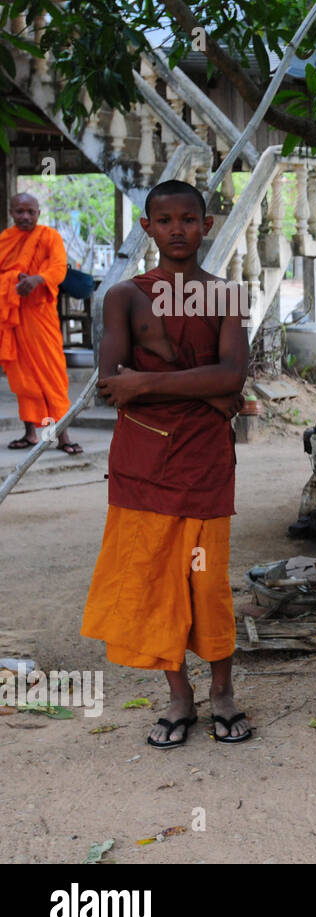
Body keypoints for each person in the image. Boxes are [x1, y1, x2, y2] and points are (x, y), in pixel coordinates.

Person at [83, 180, 250, 747]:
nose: (178, 229)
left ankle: (222, 693)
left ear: (207, 225)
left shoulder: (225, 295)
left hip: (203, 462)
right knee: (156, 582)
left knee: (207, 585)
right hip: (144, 462)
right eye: (165, 220)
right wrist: (204, 390)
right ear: (148, 228)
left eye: (189, 219)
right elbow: (113, 385)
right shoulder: (125, 296)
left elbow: (232, 377)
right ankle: (180, 698)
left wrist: (151, 380)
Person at [1, 192, 80, 454]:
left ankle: (64, 436)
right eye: (20, 211)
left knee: (52, 375)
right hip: (14, 318)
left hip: (40, 317)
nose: (25, 216)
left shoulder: (49, 237)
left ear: (38, 213)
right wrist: (12, 282)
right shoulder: (5, 240)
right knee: (23, 377)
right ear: (12, 212)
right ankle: (30, 434)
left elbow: (59, 268)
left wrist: (35, 280)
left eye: (30, 212)